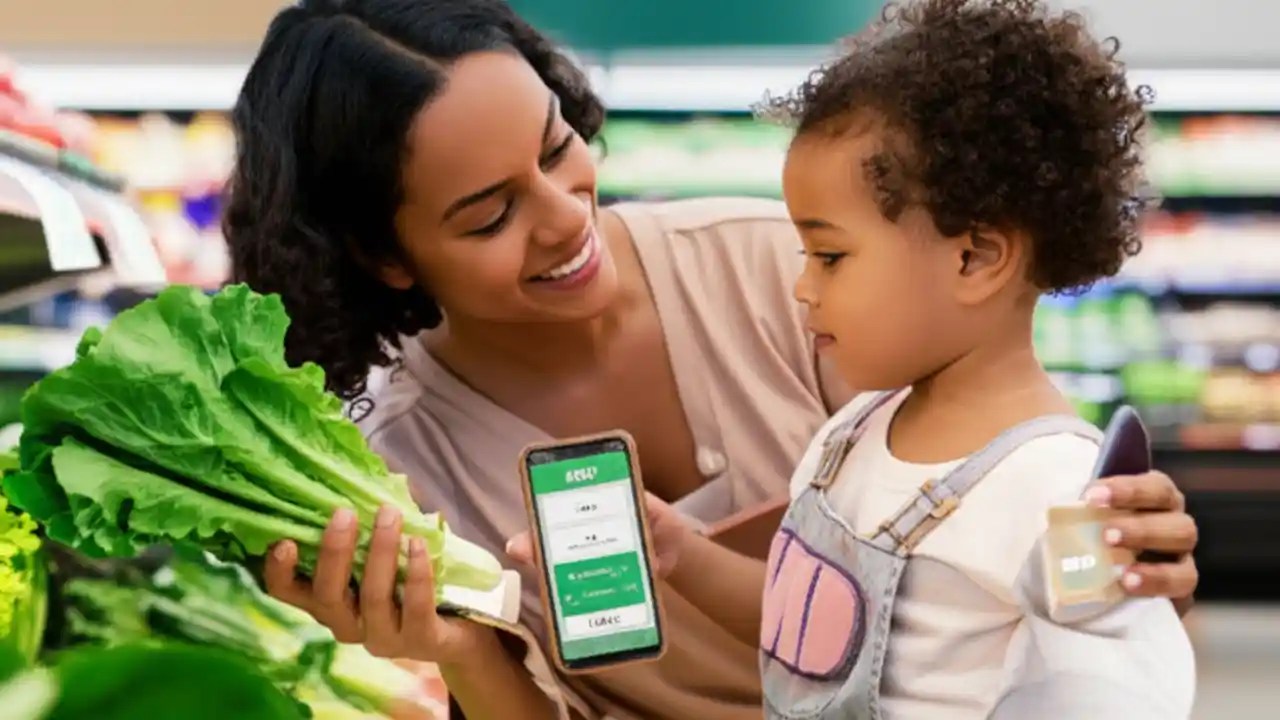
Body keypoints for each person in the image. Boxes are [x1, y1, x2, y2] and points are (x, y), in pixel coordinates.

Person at [225, 1, 1201, 719]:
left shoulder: (828, 289)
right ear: (383, 256)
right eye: (489, 213)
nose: (569, 217)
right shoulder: (404, 466)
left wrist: (1127, 567)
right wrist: (457, 651)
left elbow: (1111, 627)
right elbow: (816, 606)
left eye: (557, 145)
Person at [521, 1, 1201, 717]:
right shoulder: (850, 436)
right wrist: (677, 555)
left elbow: (1117, 691)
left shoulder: (1064, 492)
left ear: (976, 258)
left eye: (831, 256)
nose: (801, 288)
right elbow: (805, 630)